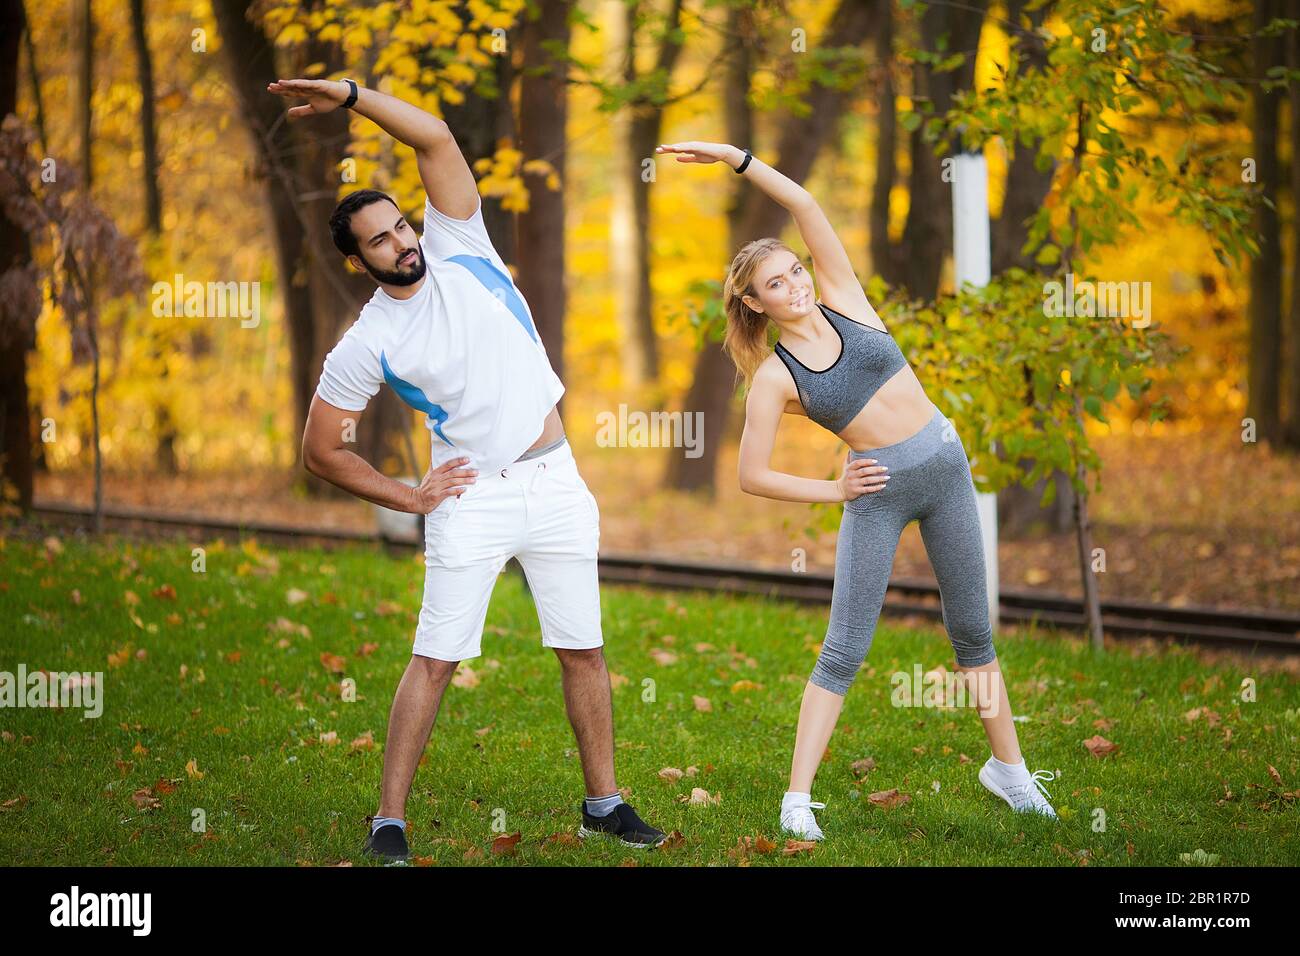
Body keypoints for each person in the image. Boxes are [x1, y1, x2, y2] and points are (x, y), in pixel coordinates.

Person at [271, 76, 667, 862]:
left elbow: (435, 138)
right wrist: (408, 497)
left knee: (583, 647)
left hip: (556, 480)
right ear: (357, 261)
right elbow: (321, 450)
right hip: (471, 499)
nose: (401, 242)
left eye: (400, 226)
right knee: (436, 659)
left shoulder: (460, 244)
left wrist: (350, 95)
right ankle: (388, 820)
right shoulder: (369, 341)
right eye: (378, 241)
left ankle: (604, 804)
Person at [657, 140, 1058, 840]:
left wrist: (732, 157)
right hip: (877, 492)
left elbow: (804, 203)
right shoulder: (775, 378)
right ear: (753, 303)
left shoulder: (842, 296)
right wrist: (835, 490)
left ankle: (1010, 773)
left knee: (972, 632)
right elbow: (751, 475)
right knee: (844, 648)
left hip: (947, 468)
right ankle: (796, 799)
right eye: (775, 283)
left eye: (794, 270)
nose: (794, 284)